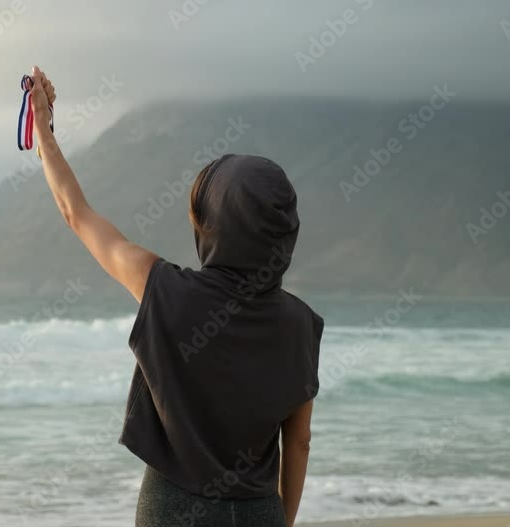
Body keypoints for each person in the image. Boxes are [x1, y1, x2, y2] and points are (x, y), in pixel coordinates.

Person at [27, 66, 323, 527]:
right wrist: (279, 520)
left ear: (210, 222)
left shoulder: (164, 289)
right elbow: (299, 440)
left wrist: (44, 132)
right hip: (258, 511)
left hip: (171, 509)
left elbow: (77, 213)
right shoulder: (302, 325)